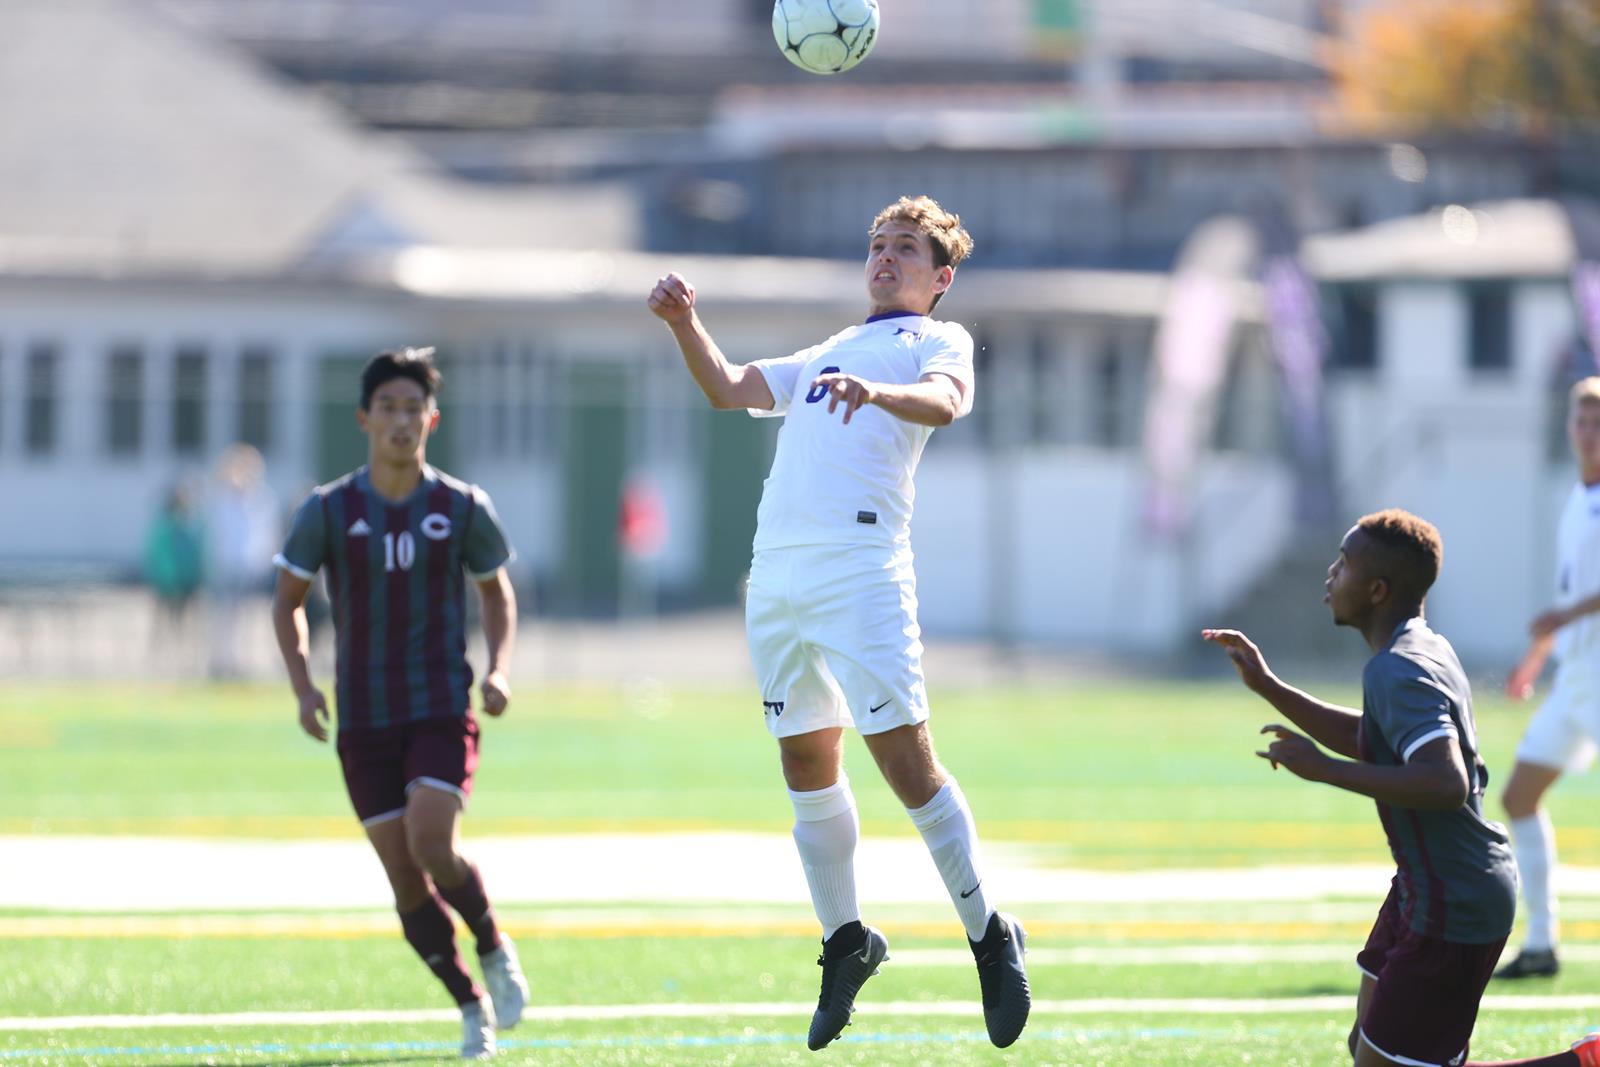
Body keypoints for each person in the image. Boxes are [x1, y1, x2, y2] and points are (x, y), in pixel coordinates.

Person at [646, 195, 1030, 1051]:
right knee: (806, 763)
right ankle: (847, 940)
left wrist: (878, 390)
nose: (886, 257)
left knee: (905, 762)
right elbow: (729, 387)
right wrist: (685, 322)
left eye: (905, 249)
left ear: (942, 278)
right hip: (777, 573)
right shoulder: (827, 350)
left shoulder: (936, 340)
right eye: (879, 245)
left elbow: (945, 402)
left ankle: (988, 933)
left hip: (860, 568)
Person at [1205, 509, 1599, 1067]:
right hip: (1426, 884)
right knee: (1369, 1045)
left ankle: (1583, 1062)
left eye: (1343, 565)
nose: (1330, 575)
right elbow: (1373, 737)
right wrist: (1270, 687)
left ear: (1377, 590)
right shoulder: (1420, 648)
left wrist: (1325, 770)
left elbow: (1444, 781)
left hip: (1455, 899)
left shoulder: (1398, 667)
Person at [270, 348, 529, 1060]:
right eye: (388, 406)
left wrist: (500, 668)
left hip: (439, 705)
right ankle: (470, 1003)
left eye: (414, 408)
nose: (401, 420)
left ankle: (493, 943)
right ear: (364, 418)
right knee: (402, 872)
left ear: (432, 420)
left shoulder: (460, 506)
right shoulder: (327, 509)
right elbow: (288, 601)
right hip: (364, 717)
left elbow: (497, 592)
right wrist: (301, 684)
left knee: (431, 842)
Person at [1496, 376, 1600, 979]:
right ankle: (1541, 944)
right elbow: (1569, 594)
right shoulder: (1575, 496)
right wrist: (1537, 658)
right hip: (1575, 680)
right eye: (1582, 421)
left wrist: (1562, 618)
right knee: (1518, 797)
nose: (1588, 433)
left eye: (1599, 423)